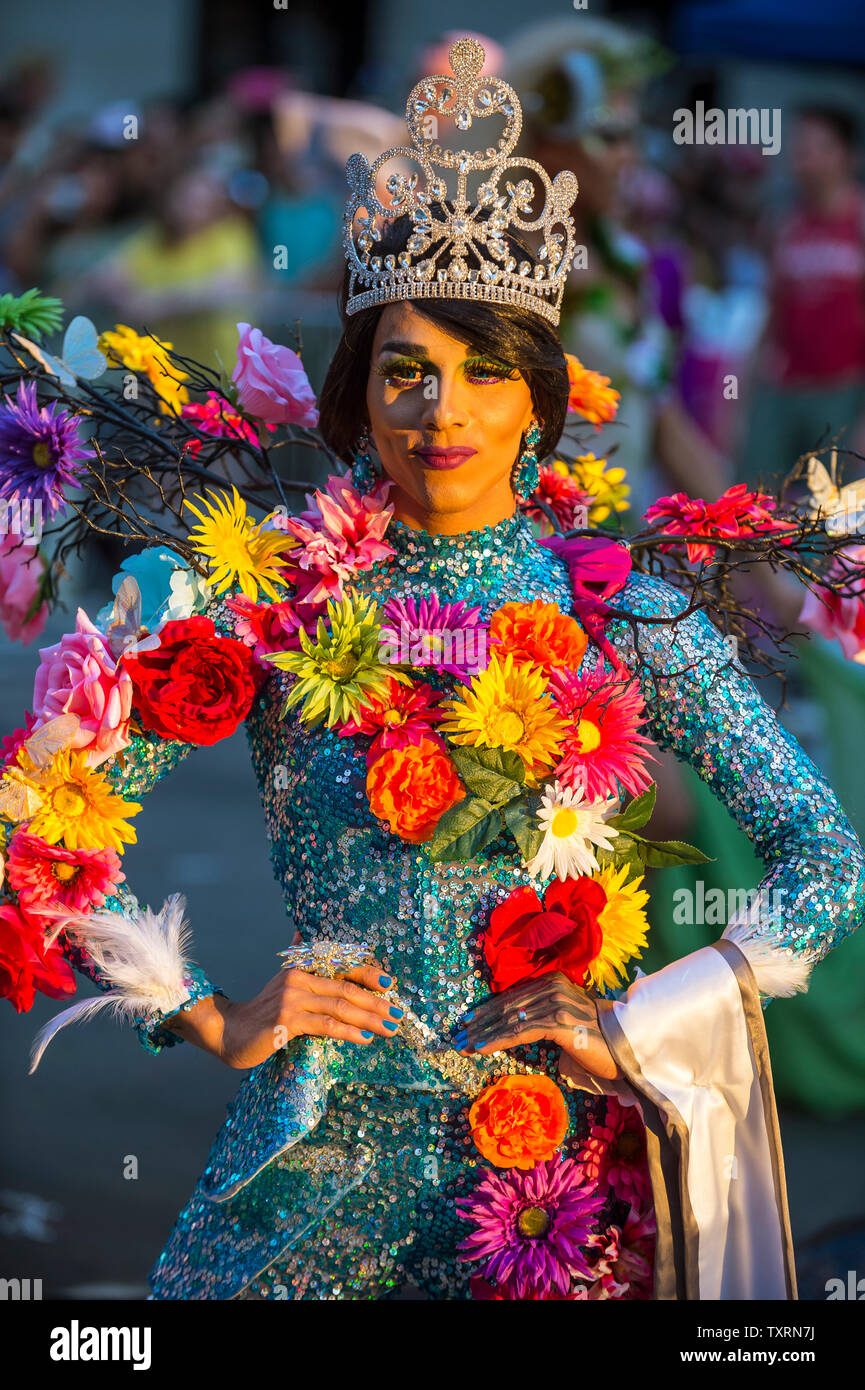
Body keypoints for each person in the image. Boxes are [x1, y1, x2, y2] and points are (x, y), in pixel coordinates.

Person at [5, 38, 864, 1303]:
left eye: (481, 373)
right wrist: (203, 1010)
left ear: (539, 395)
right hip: (303, 1158)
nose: (438, 413)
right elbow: (35, 825)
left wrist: (635, 1028)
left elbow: (822, 850)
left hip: (544, 1184)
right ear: (362, 389)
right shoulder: (271, 586)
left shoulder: (612, 607)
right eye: (405, 372)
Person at [742, 105, 865, 486]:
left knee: (831, 519)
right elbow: (773, 309)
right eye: (799, 147)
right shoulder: (786, 224)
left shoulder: (859, 220)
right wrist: (743, 384)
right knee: (756, 498)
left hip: (842, 392)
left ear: (844, 154)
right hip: (785, 386)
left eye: (815, 147)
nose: (802, 158)